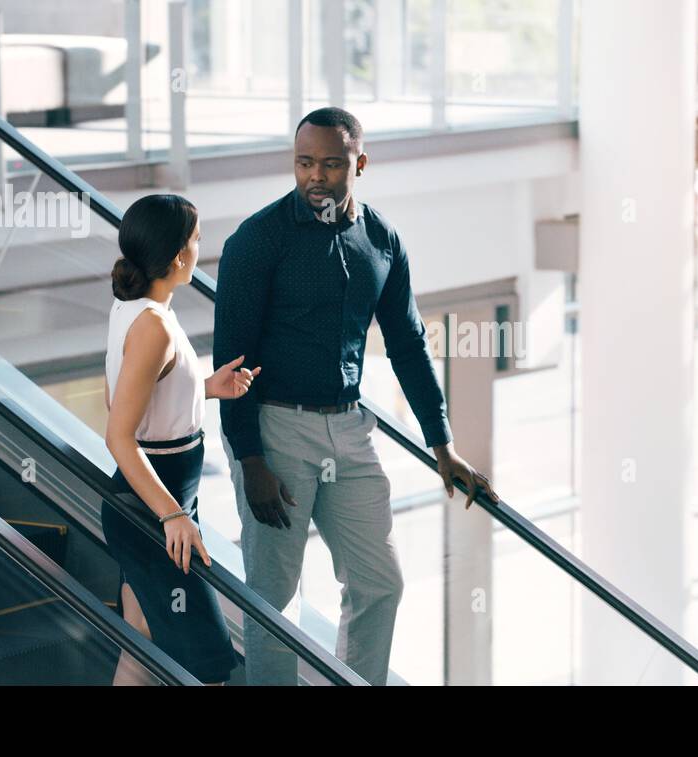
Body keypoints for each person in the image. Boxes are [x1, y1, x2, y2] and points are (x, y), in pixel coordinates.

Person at [214, 107, 499, 686]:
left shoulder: (382, 239)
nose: (315, 175)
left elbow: (409, 345)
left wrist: (441, 443)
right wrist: (250, 460)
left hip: (350, 429)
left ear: (359, 164)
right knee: (274, 597)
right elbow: (231, 363)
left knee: (380, 583)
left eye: (331, 163)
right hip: (273, 428)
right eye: (303, 162)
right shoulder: (256, 240)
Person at [101, 193, 259, 685]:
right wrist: (172, 515)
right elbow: (119, 435)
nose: (200, 246)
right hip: (155, 504)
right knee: (209, 659)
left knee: (142, 635)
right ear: (177, 258)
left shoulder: (136, 309)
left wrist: (207, 389)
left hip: (155, 498)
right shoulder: (153, 327)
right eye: (196, 239)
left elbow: (141, 398)